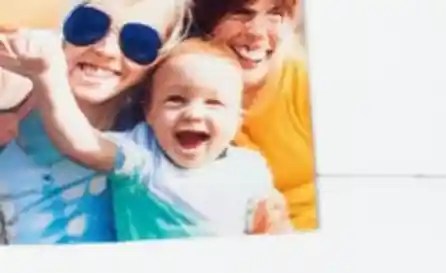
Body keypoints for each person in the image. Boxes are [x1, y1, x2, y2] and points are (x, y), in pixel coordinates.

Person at [0, 30, 286, 239]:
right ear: (149, 113)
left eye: (214, 103)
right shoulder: (143, 161)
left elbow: (271, 234)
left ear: (238, 119)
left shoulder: (249, 168)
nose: (194, 113)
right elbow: (79, 142)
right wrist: (49, 75)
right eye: (175, 100)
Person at [0, 0, 191, 244]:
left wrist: (47, 74)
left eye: (139, 42)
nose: (105, 50)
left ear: (161, 59)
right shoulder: (13, 103)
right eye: (89, 25)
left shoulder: (155, 136)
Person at [190, 0, 316, 230]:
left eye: (275, 14)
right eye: (239, 13)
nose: (257, 34)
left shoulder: (305, 79)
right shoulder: (181, 88)